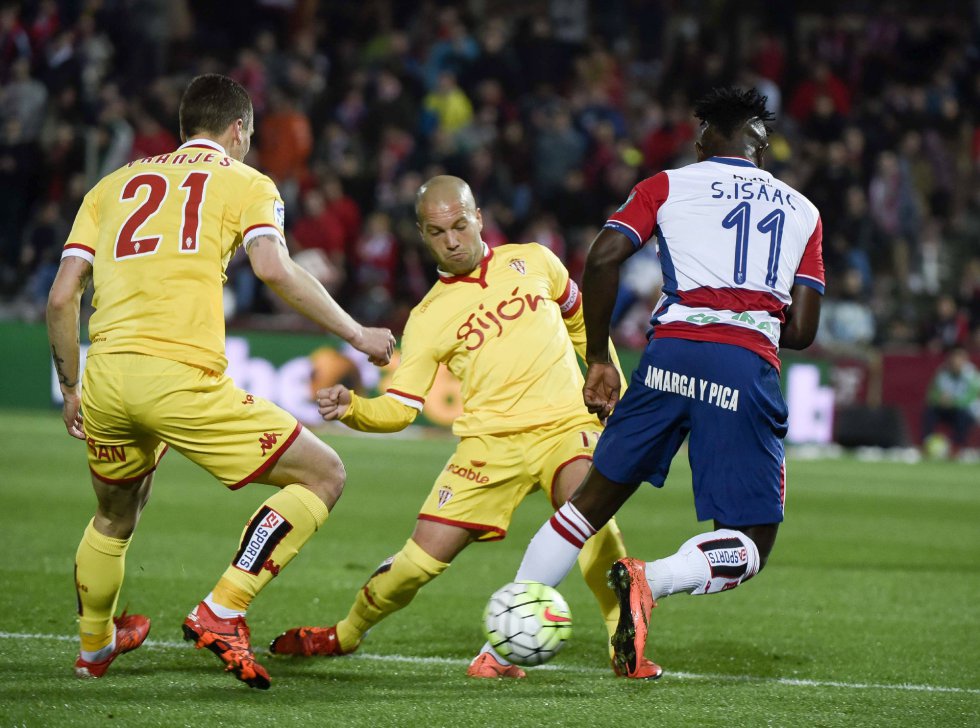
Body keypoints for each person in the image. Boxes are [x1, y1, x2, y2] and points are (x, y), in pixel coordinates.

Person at [46, 74, 395, 689]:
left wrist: (71, 387)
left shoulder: (112, 185)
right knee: (324, 474)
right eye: (250, 137)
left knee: (115, 515)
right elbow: (274, 269)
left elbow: (60, 299)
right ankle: (224, 607)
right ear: (238, 131)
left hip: (106, 376)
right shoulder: (245, 181)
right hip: (180, 378)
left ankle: (94, 648)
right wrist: (358, 334)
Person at [268, 175, 654, 679]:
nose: (451, 241)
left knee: (587, 513)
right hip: (487, 448)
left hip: (564, 426)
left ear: (478, 218)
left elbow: (583, 324)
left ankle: (623, 645)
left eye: (459, 225)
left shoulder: (535, 260)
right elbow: (402, 409)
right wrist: (355, 409)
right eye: (436, 232)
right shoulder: (427, 316)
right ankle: (343, 634)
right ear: (422, 235)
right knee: (413, 568)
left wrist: (610, 380)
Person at [498, 87, 824, 679]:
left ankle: (499, 649)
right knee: (749, 546)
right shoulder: (803, 211)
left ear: (703, 139)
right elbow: (801, 329)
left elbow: (600, 259)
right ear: (762, 146)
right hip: (742, 364)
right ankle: (655, 580)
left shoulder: (668, 184)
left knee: (586, 507)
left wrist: (597, 356)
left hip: (669, 356)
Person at [921, 347, 980, 456]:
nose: (955, 363)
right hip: (945, 408)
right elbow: (932, 394)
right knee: (930, 412)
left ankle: (956, 447)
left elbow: (971, 397)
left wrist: (953, 402)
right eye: (953, 360)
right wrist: (939, 400)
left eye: (958, 360)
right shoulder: (942, 373)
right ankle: (926, 443)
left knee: (964, 416)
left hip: (966, 410)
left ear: (964, 361)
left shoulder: (972, 376)